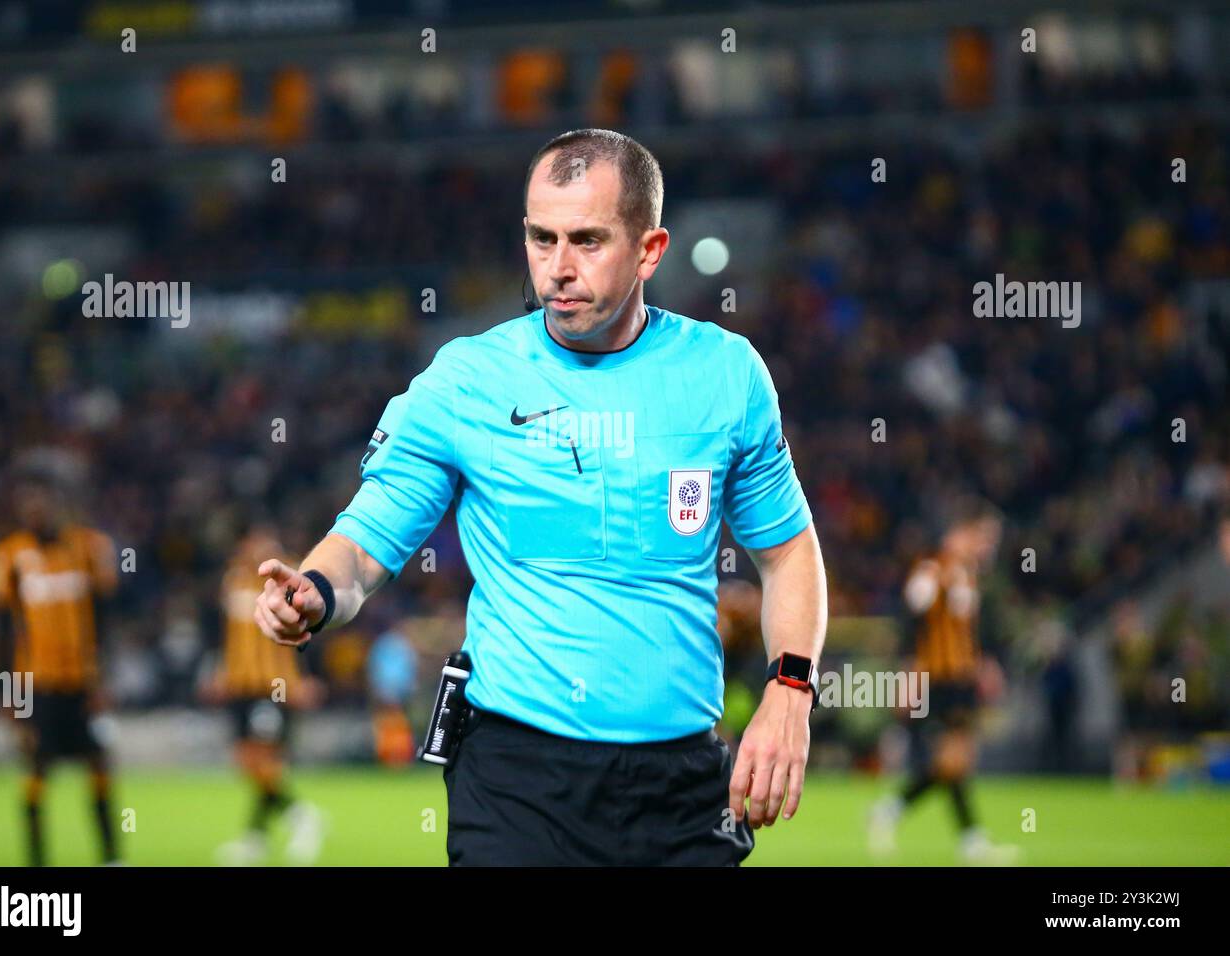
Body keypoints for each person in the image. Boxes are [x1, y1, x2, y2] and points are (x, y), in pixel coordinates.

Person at [254, 128, 828, 866]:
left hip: (681, 785)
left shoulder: (725, 375)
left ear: (650, 250)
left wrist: (790, 690)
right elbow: (365, 543)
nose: (558, 268)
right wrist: (316, 590)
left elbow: (787, 552)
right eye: (541, 238)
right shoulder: (466, 382)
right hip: (517, 782)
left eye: (587, 240)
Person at [868, 501, 1019, 864]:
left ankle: (894, 812)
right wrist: (908, 674)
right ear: (961, 533)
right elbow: (909, 623)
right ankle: (968, 839)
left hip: (962, 680)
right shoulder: (930, 570)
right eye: (984, 538)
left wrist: (984, 664)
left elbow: (968, 630)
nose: (988, 548)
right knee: (953, 761)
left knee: (953, 764)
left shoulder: (967, 574)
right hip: (936, 681)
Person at [0, 468, 121, 866]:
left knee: (99, 766)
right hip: (38, 686)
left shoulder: (88, 548)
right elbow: (3, 631)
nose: (38, 511)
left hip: (81, 683)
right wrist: (5, 693)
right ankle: (37, 860)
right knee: (35, 772)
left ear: (59, 505)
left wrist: (103, 678)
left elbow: (103, 617)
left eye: (44, 502)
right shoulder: (10, 556)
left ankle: (112, 858)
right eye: (30, 504)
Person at [205, 525, 325, 865]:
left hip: (275, 685)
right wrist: (219, 670)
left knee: (264, 759)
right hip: (239, 684)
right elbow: (224, 633)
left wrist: (307, 677)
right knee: (247, 761)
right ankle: (270, 829)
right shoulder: (233, 580)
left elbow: (311, 626)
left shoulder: (292, 576)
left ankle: (295, 819)